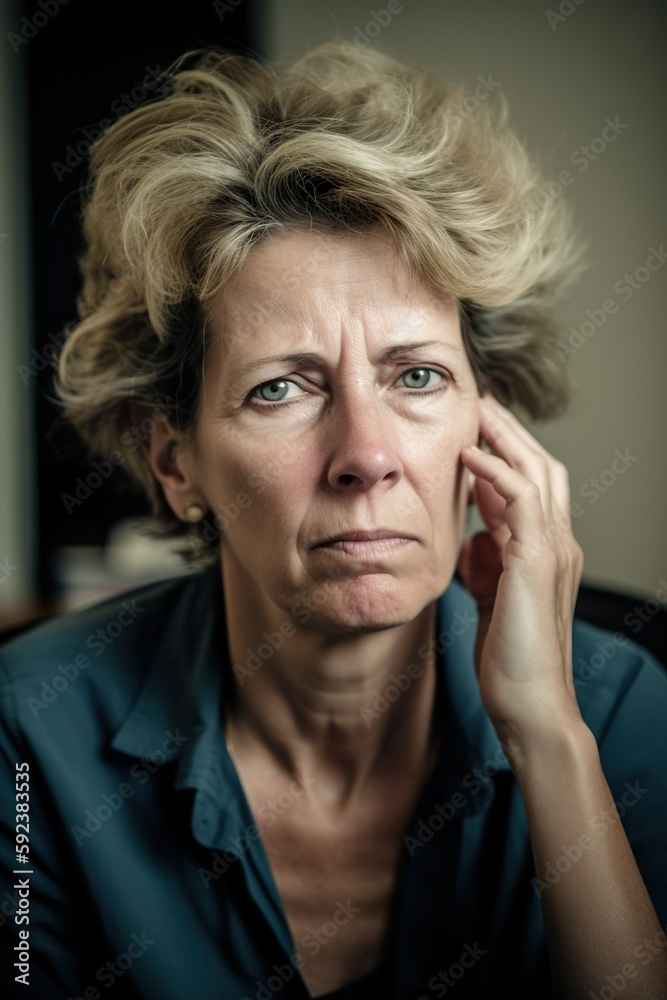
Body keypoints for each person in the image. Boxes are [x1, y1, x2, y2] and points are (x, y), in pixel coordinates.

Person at [1, 40, 666, 1000]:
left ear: (493, 424)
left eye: (417, 376)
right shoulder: (28, 738)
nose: (366, 454)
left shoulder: (618, 710)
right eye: (280, 389)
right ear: (175, 460)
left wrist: (548, 739)